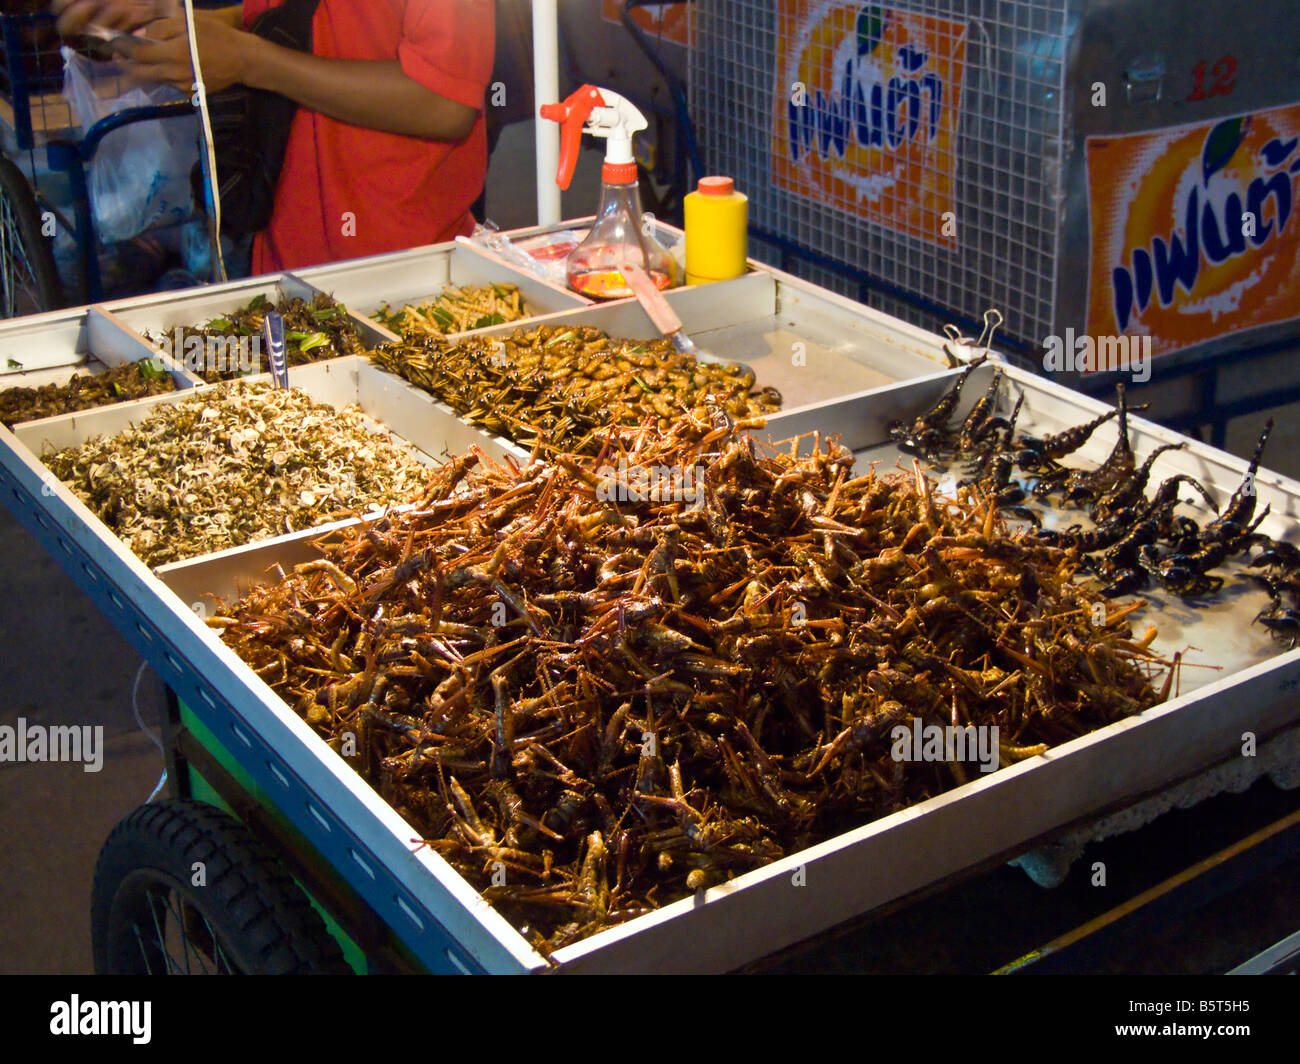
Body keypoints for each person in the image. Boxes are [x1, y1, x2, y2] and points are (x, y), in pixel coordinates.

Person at [51, 1, 495, 274]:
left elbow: (444, 104)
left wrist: (251, 62)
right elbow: (279, 15)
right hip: (289, 262)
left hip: (407, 268)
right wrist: (145, 22)